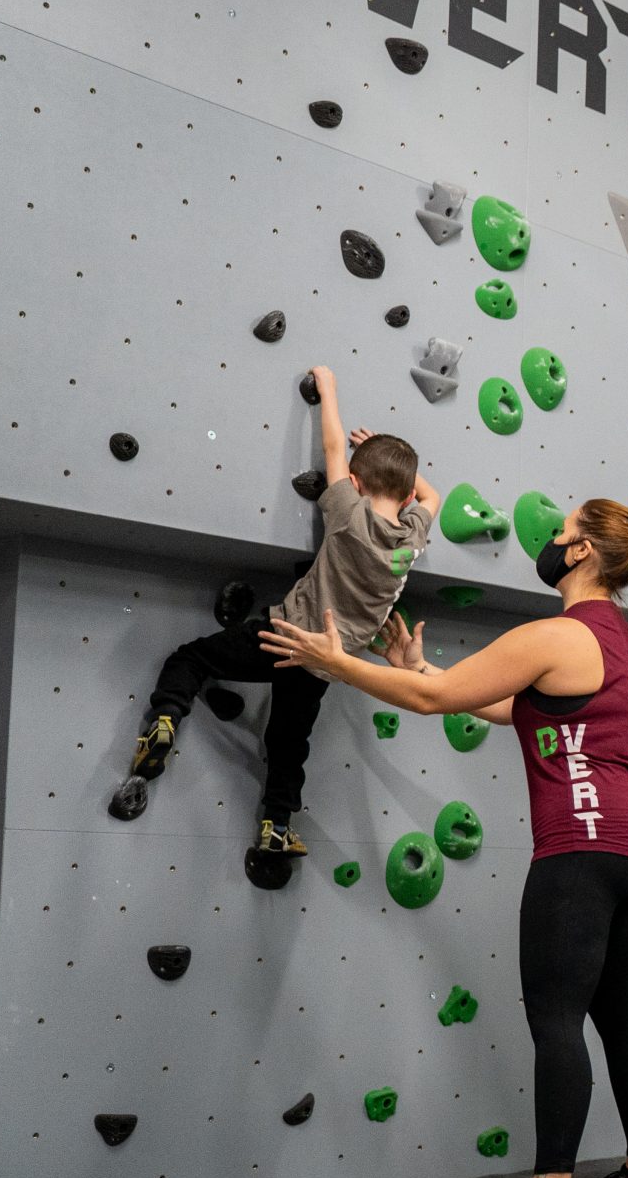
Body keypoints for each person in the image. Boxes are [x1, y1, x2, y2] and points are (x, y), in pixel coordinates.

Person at [262, 499, 628, 1178]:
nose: (550, 542)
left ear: (581, 551)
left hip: (581, 846)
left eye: (560, 533)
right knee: (620, 1016)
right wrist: (423, 667)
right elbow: (519, 706)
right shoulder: (615, 639)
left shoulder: (558, 632)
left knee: (556, 1019)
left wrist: (338, 663)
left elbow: (433, 701)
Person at [112, 366, 437, 877]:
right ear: (407, 495)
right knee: (289, 746)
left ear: (354, 483)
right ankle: (277, 827)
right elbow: (431, 497)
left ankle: (168, 717)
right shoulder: (412, 539)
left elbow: (333, 447)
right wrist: (398, 468)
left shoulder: (349, 514)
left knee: (192, 658)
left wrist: (329, 389)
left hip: (284, 634)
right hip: (324, 665)